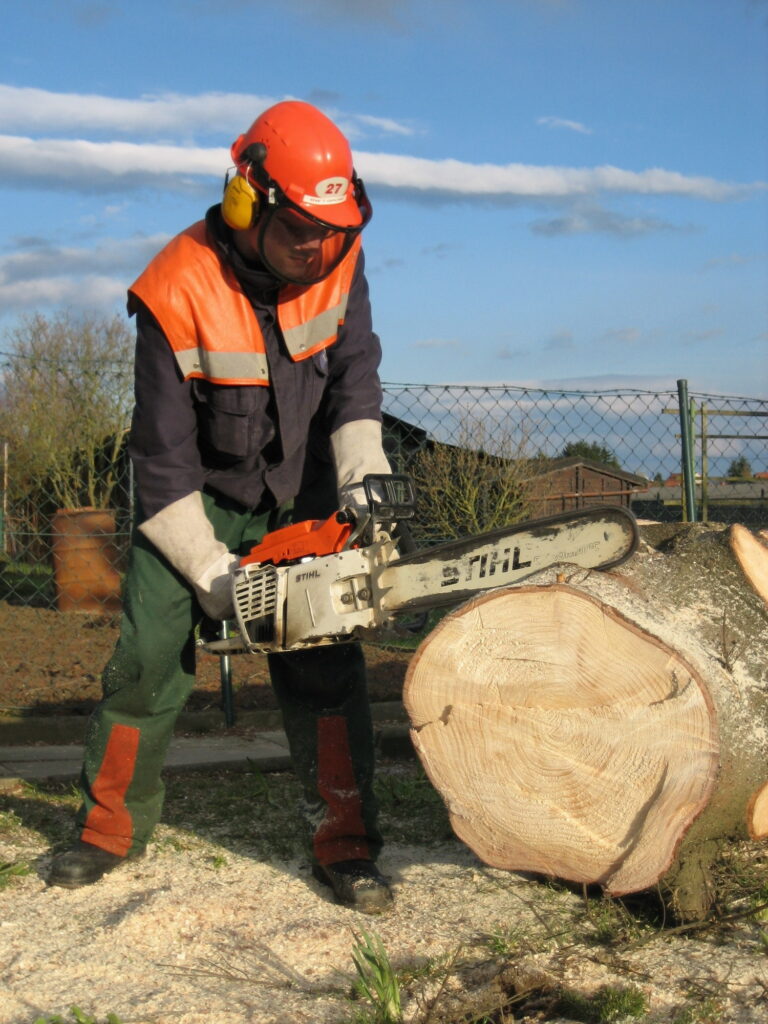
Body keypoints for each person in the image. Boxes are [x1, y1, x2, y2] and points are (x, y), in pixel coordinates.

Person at [48, 100, 394, 915]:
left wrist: (362, 472)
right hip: (193, 508)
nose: (318, 247)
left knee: (323, 668)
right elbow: (162, 467)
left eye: (331, 230)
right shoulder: (174, 289)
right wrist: (214, 576)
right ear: (248, 202)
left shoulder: (338, 259)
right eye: (302, 228)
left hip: (299, 497)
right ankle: (106, 831)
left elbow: (355, 379)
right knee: (147, 662)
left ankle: (345, 847)